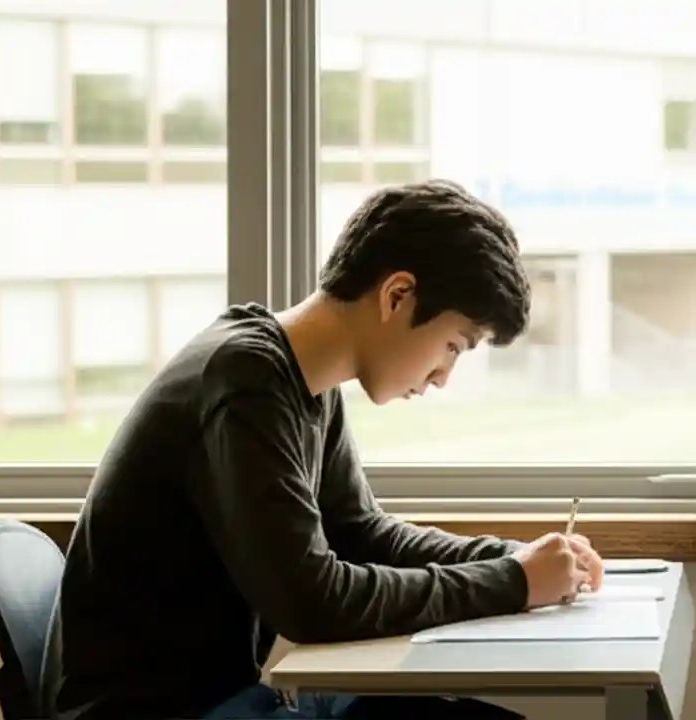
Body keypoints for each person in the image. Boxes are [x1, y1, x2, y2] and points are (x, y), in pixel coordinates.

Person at [44, 180, 605, 720]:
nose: (443, 376)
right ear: (397, 295)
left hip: (226, 700)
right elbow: (313, 602)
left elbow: (362, 532)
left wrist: (512, 557)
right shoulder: (245, 381)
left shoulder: (304, 384)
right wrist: (514, 583)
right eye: (453, 345)